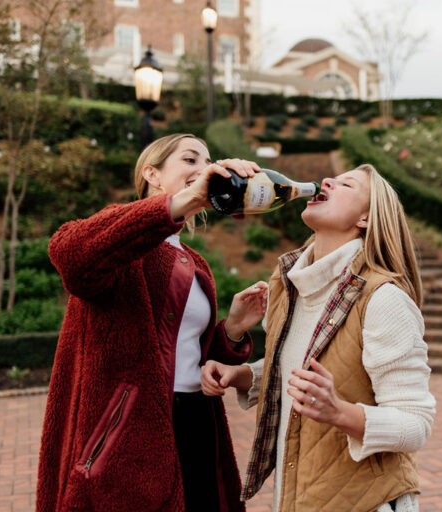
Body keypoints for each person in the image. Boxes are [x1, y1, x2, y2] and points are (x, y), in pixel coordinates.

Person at [36, 133, 268, 512]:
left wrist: (234, 328)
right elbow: (70, 253)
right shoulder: (119, 242)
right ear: (152, 175)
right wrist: (191, 197)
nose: (204, 168)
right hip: (130, 435)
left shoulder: (195, 263)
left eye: (207, 161)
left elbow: (186, 354)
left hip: (196, 421)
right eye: (190, 160)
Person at [202, 164, 437, 512]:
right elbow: (298, 367)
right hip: (300, 497)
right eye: (332, 179)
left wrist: (339, 412)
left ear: (366, 219)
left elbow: (416, 423)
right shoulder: (290, 284)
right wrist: (241, 375)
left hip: (366, 502)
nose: (327, 181)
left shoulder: (383, 298)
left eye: (347, 184)